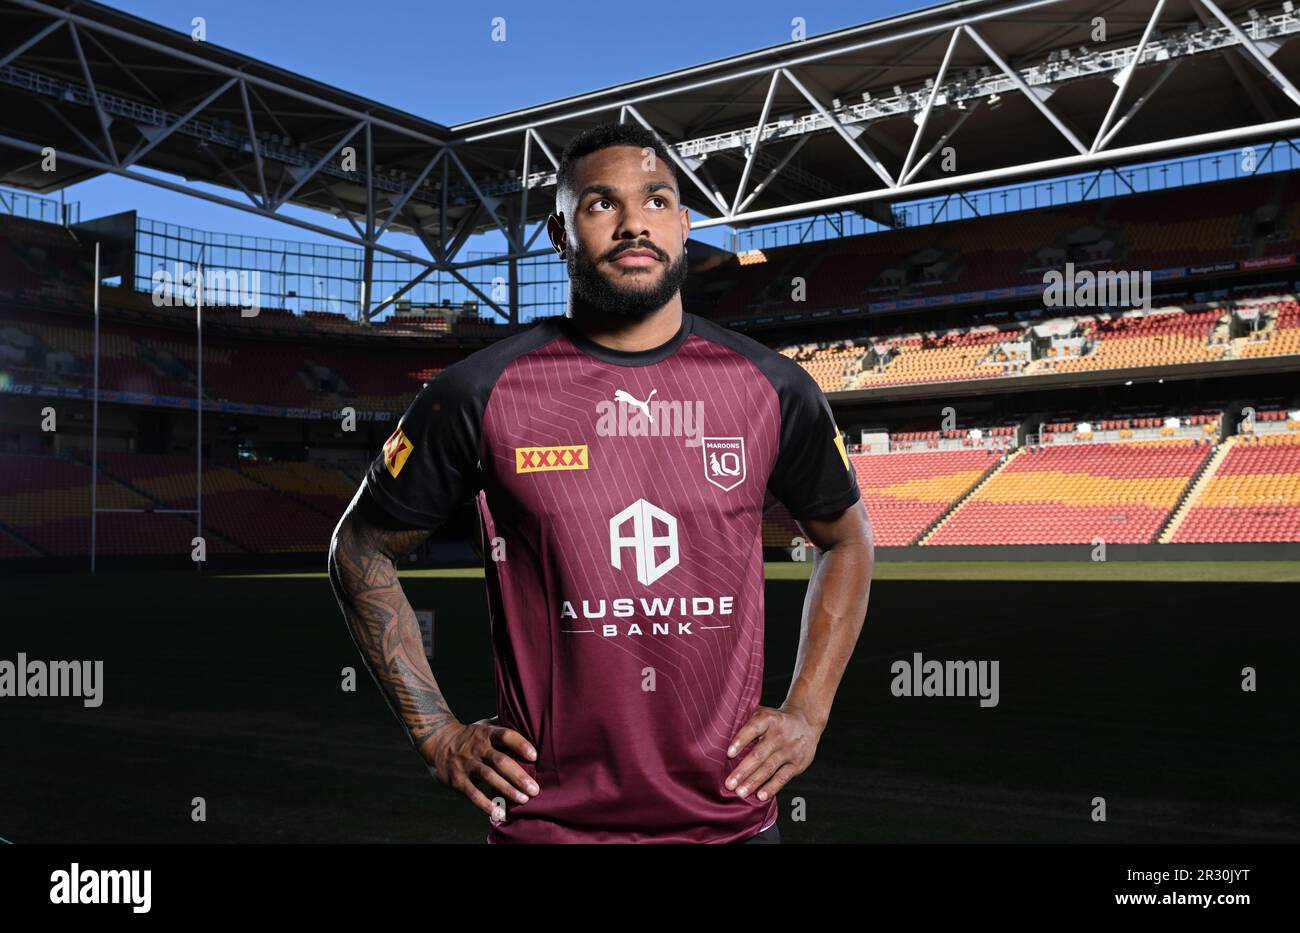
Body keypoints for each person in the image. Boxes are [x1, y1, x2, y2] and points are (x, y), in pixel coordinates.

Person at [329, 121, 874, 843]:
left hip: (731, 826)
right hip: (546, 828)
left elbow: (847, 538)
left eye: (655, 201)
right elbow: (359, 548)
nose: (632, 224)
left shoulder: (772, 388)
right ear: (559, 231)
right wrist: (436, 732)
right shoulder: (479, 392)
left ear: (684, 224)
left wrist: (808, 711)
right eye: (600, 204)